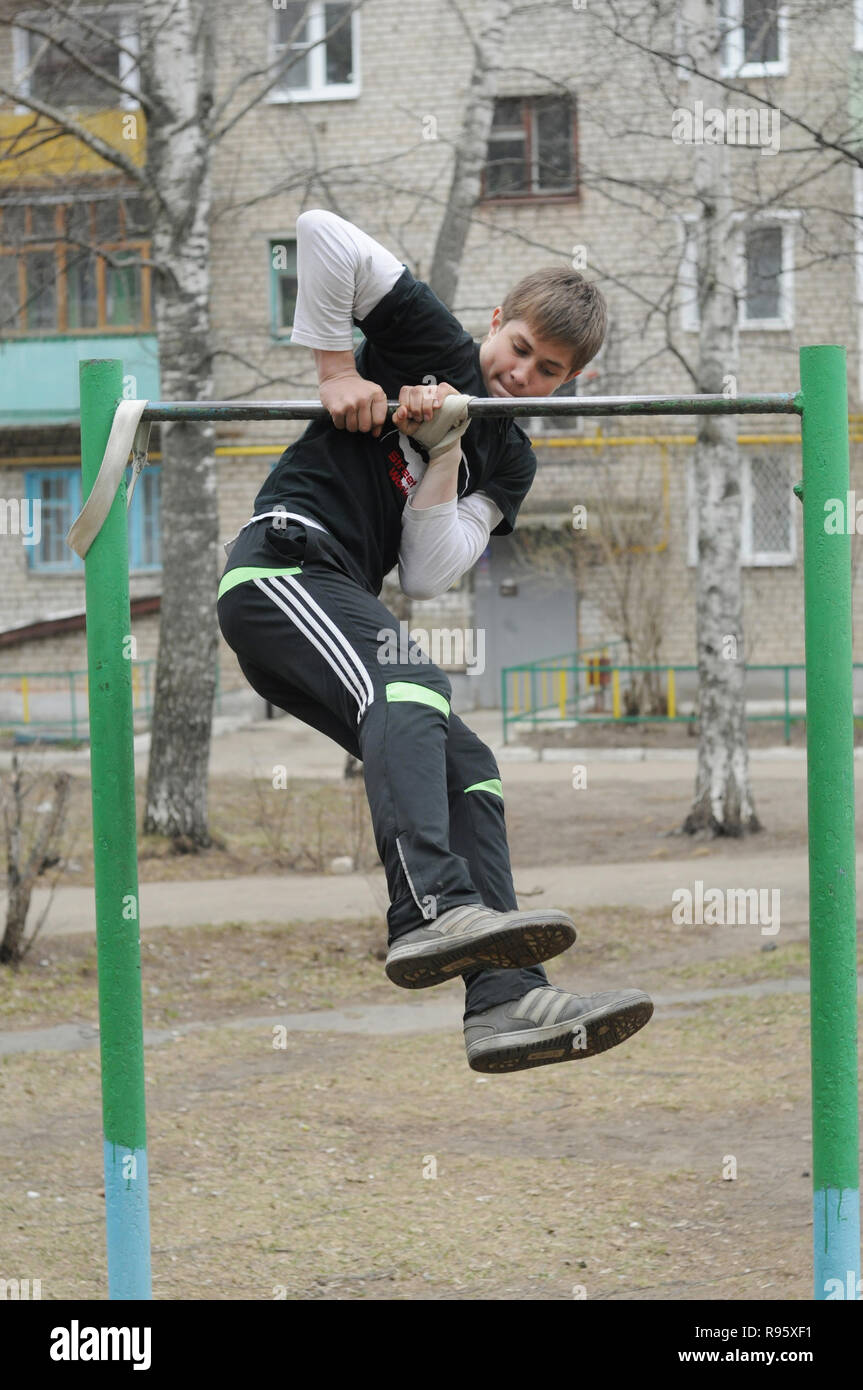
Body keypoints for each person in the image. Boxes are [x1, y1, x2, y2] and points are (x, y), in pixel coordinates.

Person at [217, 209, 653, 1073]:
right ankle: (428, 909)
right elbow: (321, 232)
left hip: (338, 595)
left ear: (571, 380)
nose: (520, 372)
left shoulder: (511, 458)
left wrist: (446, 450)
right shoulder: (432, 338)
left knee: (468, 761)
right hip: (282, 570)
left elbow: (425, 571)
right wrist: (338, 368)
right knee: (411, 683)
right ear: (496, 322)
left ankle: (504, 997)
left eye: (546, 370)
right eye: (519, 347)